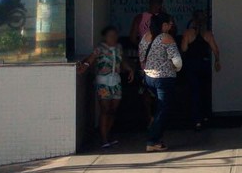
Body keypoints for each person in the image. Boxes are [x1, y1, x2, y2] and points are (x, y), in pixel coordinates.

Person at [77, 25, 134, 148]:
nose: (113, 38)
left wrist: (129, 69)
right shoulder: (100, 48)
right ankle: (103, 138)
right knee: (105, 110)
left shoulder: (119, 48)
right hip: (103, 81)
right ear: (105, 37)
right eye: (110, 36)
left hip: (116, 81)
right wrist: (84, 66)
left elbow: (122, 61)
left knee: (113, 110)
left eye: (115, 35)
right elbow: (91, 59)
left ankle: (107, 135)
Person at [139, 12, 182, 152]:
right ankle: (153, 140)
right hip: (163, 78)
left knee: (159, 107)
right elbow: (177, 61)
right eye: (170, 23)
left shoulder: (146, 36)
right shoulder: (166, 38)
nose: (171, 26)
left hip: (148, 78)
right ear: (163, 25)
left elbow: (141, 57)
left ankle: (155, 135)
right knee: (163, 109)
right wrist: (175, 69)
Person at [180, 9, 221, 130]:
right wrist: (217, 61)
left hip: (191, 65)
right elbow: (215, 50)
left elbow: (184, 49)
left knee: (194, 91)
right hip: (204, 64)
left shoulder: (188, 33)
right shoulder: (208, 34)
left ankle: (196, 118)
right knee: (205, 90)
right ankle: (205, 116)